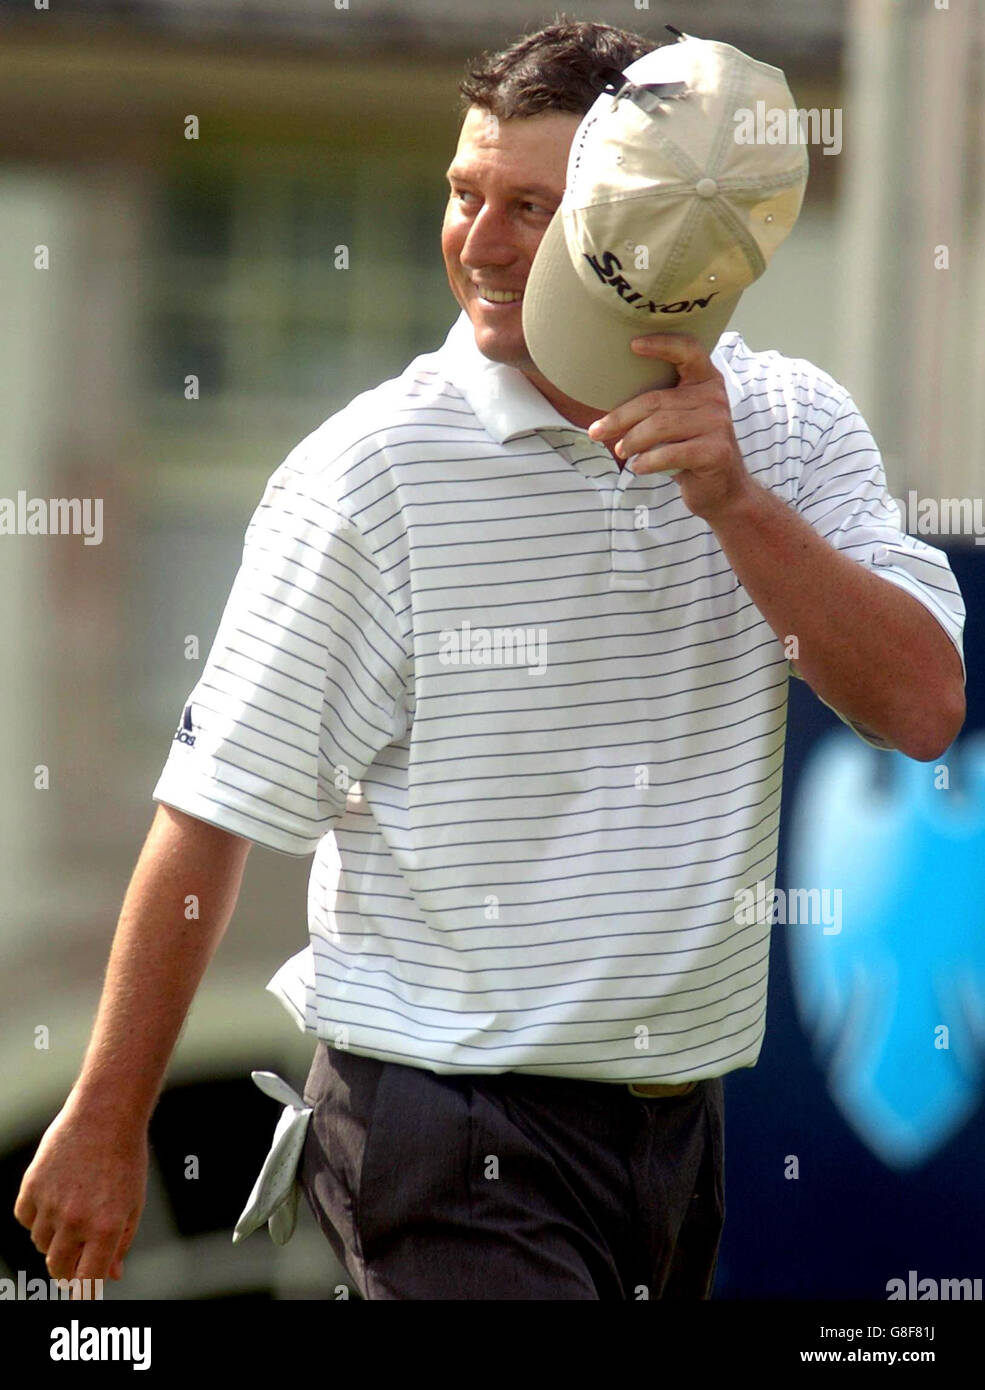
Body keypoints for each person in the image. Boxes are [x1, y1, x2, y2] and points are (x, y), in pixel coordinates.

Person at [14, 20, 966, 1301]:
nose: (481, 239)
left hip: (682, 1133)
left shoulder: (789, 429)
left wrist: (733, 502)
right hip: (443, 1129)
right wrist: (104, 1112)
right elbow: (210, 819)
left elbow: (919, 707)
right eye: (466, 194)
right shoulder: (370, 475)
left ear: (648, 232)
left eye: (531, 204)